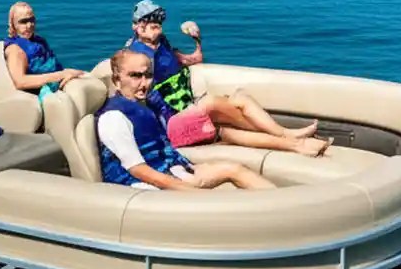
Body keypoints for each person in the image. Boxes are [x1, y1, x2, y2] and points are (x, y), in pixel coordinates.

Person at [124, 0, 331, 157]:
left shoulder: (163, 44)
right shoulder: (134, 56)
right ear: (137, 27)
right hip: (169, 124)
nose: (156, 27)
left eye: (157, 23)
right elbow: (140, 94)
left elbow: (194, 60)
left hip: (185, 110)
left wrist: (196, 41)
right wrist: (184, 110)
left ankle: (294, 142)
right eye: (150, 23)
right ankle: (289, 137)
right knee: (213, 105)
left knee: (239, 100)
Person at [95, 49, 276, 190]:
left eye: (148, 75)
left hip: (169, 170)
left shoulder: (146, 106)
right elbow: (139, 171)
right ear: (117, 80)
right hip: (141, 187)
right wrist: (195, 194)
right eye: (135, 76)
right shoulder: (114, 118)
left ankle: (280, 206)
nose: (144, 83)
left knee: (234, 169)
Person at [3, 1, 87, 101]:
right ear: (13, 24)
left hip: (58, 84)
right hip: (43, 94)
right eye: (23, 22)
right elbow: (20, 82)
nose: (29, 25)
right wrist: (61, 75)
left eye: (32, 20)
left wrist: (67, 74)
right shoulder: (15, 49)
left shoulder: (39, 41)